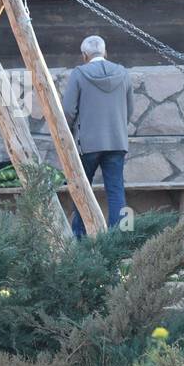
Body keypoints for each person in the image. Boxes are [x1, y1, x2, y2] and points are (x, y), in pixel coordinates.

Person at [61, 35, 133, 238]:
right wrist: (118, 128)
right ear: (105, 52)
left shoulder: (79, 74)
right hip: (117, 141)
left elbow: (68, 110)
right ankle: (121, 239)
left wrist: (69, 132)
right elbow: (130, 109)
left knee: (82, 190)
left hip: (87, 143)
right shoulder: (123, 72)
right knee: (117, 190)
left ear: (84, 55)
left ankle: (81, 238)